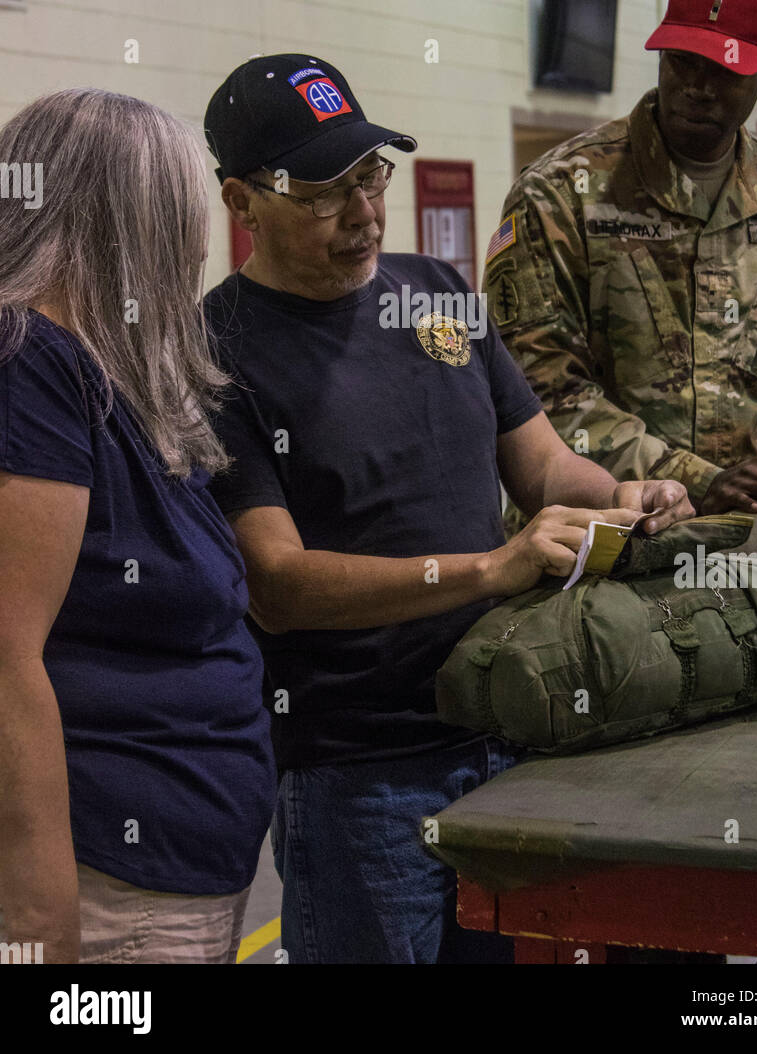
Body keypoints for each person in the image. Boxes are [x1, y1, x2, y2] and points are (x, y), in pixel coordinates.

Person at [201, 52, 694, 965]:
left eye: (370, 176)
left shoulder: (436, 293)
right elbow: (276, 582)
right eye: (320, 193)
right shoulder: (217, 353)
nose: (362, 212)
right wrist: (490, 571)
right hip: (359, 775)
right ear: (242, 202)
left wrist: (623, 492)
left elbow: (541, 465)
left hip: (509, 726)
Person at [0, 89, 276, 965]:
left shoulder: (107, 369)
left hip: (171, 868)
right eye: (178, 215)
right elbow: (6, 661)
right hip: (108, 887)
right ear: (123, 222)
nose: (194, 245)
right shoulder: (30, 364)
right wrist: (40, 925)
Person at [485, 0, 757, 522]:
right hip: (592, 530)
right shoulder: (561, 195)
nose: (699, 88)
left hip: (742, 535)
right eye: (683, 60)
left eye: (725, 70)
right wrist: (696, 481)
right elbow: (539, 397)